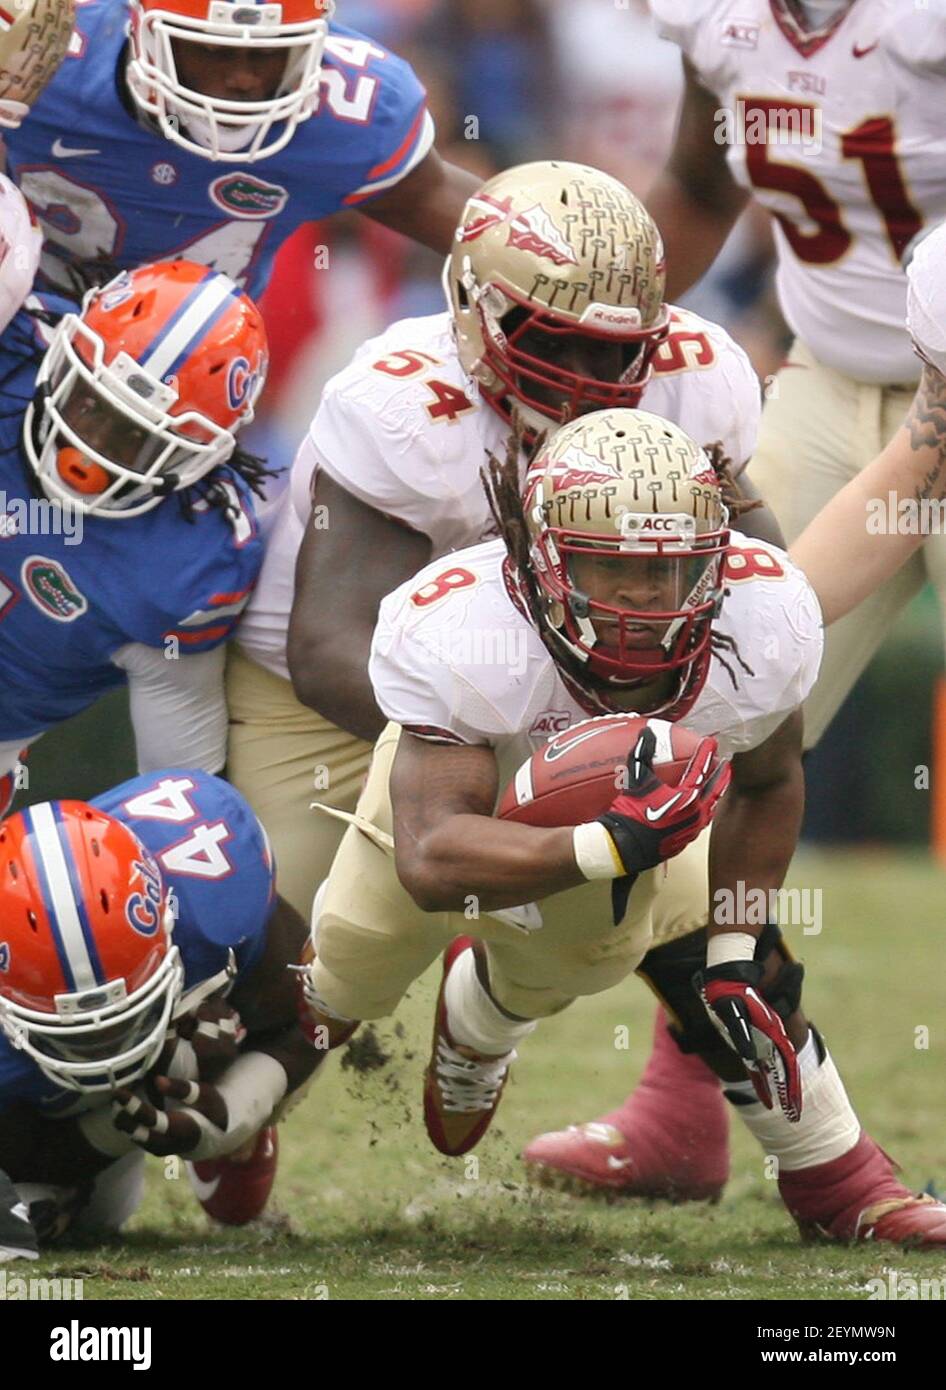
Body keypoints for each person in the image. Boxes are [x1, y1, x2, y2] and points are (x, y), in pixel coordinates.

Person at [298, 407, 946, 1245]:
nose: (644, 596)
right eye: (612, 569)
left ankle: (480, 1018)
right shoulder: (465, 630)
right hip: (460, 792)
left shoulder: (763, 613)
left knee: (586, 958)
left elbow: (772, 780)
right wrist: (608, 842)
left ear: (714, 563)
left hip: (622, 816)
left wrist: (734, 950)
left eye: (669, 569)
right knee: (346, 975)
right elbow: (431, 856)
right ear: (539, 562)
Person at [527, 0, 946, 1198]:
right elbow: (701, 196)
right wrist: (576, 331)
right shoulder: (725, 24)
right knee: (702, 713)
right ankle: (686, 1102)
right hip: (832, 379)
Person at [230, 159, 772, 917]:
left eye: (613, 349)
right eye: (553, 341)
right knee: (276, 945)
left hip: (546, 693)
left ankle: (483, 1021)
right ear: (473, 307)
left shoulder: (698, 383)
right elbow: (326, 649)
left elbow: (752, 573)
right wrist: (521, 759)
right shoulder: (405, 409)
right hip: (321, 705)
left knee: (658, 919)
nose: (586, 379)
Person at [0, 768, 321, 1257]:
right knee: (86, 1223)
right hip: (38, 1114)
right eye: (80, 1036)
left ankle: (212, 1090)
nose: (106, 1052)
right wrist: (109, 1133)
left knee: (217, 1038)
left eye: (126, 1018)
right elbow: (27, 1149)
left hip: (187, 1024)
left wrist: (235, 1108)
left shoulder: (208, 905)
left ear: (168, 922)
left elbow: (319, 1008)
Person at [0, 258, 267, 815]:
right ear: (61, 358)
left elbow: (180, 798)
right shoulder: (13, 342)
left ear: (202, 456)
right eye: (90, 403)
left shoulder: (185, 564)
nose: (86, 449)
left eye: (136, 440)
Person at [3, 0, 480, 299]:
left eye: (269, 54)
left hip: (183, 381)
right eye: (213, 50)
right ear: (144, 34)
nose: (244, 79)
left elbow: (498, 237)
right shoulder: (44, 53)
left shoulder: (350, 114)